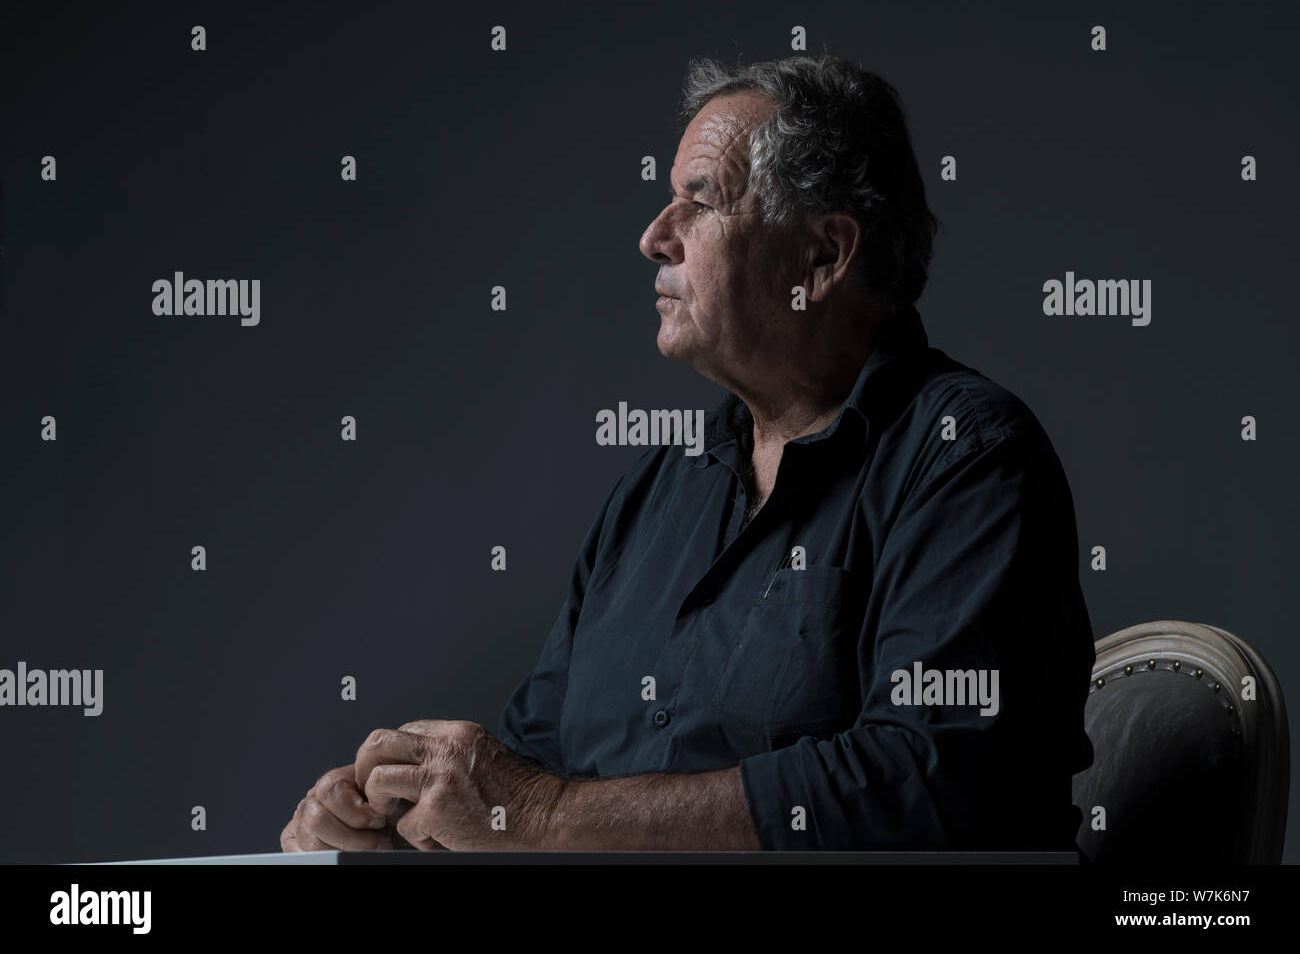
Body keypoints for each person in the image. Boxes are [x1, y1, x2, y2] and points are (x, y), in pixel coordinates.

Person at [281, 53, 1095, 854]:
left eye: (699, 205)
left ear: (823, 257)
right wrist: (409, 827)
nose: (652, 237)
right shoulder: (653, 493)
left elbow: (927, 780)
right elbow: (538, 766)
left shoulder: (969, 457)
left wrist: (539, 815)